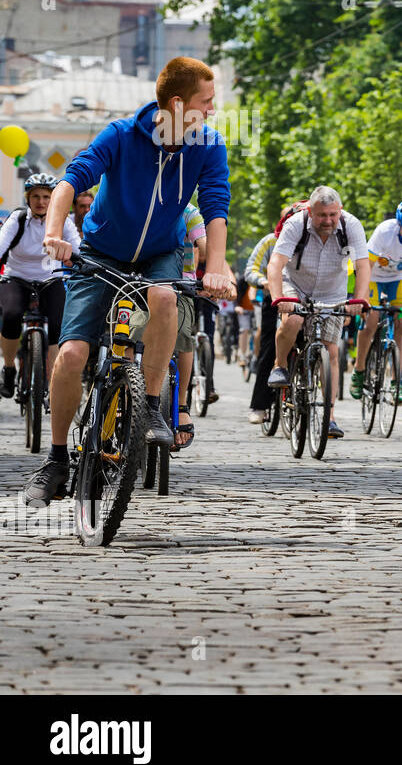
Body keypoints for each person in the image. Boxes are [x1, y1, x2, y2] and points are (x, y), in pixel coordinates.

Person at [28, 56, 234, 508]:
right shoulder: (121, 136)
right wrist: (52, 234)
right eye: (207, 101)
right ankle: (57, 457)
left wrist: (216, 265)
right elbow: (70, 182)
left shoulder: (209, 144)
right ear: (178, 104)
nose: (213, 110)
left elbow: (216, 206)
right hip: (101, 251)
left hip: (162, 251)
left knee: (164, 297)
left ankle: (153, 408)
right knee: (73, 353)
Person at [266, 186, 369, 439]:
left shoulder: (351, 226)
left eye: (333, 214)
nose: (328, 220)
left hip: (331, 292)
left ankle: (329, 417)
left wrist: (359, 299)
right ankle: (279, 366)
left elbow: (363, 266)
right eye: (322, 215)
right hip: (296, 286)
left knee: (331, 350)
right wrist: (279, 298)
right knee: (294, 320)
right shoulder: (295, 225)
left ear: (340, 210)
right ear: (311, 212)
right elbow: (276, 264)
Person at [126, 202, 205, 449]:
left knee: (183, 336)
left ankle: (180, 404)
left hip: (181, 285)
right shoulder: (134, 203)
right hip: (135, 282)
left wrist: (220, 272)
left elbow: (207, 244)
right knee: (128, 333)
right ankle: (126, 397)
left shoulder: (189, 212)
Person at [1, 173, 79, 397]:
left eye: (47, 196)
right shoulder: (18, 219)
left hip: (50, 279)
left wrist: (81, 260)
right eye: (36, 196)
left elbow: (78, 247)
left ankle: (53, 377)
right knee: (12, 315)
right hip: (17, 277)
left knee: (57, 325)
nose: (41, 201)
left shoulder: (62, 220)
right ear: (28, 198)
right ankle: (8, 368)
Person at [352, 197, 402, 401]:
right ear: (399, 224)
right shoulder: (385, 231)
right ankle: (359, 370)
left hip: (399, 278)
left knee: (401, 320)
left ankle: (398, 378)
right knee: (371, 321)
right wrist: (363, 298)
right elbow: (366, 266)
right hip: (374, 277)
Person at [244, 203, 301, 424]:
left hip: (302, 299)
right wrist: (264, 282)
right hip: (275, 299)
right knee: (269, 349)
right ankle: (259, 405)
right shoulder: (270, 241)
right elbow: (250, 269)